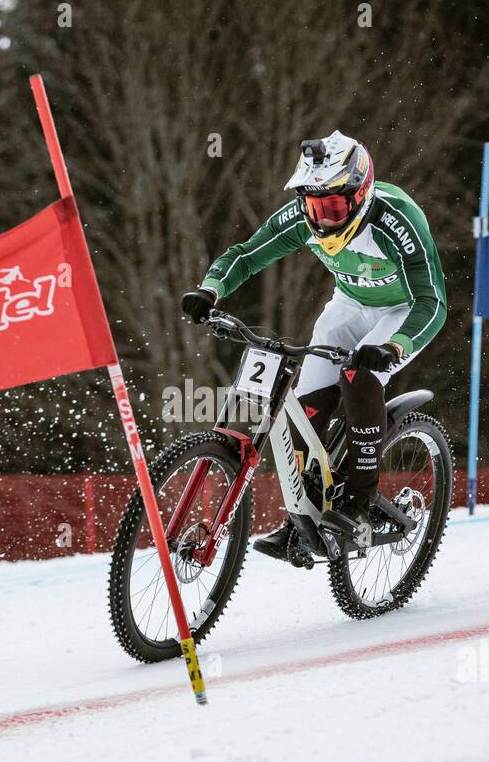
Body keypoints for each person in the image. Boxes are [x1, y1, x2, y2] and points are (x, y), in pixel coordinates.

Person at [180, 130, 447, 558]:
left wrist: (395, 346)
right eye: (313, 206)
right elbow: (247, 255)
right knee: (304, 411)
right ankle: (302, 518)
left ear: (360, 194)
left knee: (360, 379)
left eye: (334, 206)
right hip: (350, 304)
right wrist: (209, 290)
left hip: (402, 310)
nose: (321, 218)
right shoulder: (303, 217)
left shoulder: (397, 219)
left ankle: (360, 502)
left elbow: (433, 302)